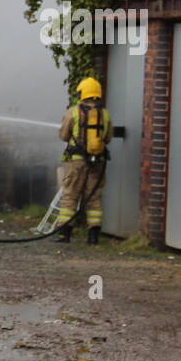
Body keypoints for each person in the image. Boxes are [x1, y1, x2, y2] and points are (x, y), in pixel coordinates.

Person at [55, 77, 111, 245]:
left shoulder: (73, 112)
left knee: (70, 196)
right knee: (94, 197)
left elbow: (64, 135)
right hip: (97, 163)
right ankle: (93, 237)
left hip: (76, 162)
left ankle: (65, 234)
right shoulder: (105, 114)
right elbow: (108, 138)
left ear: (82, 92)